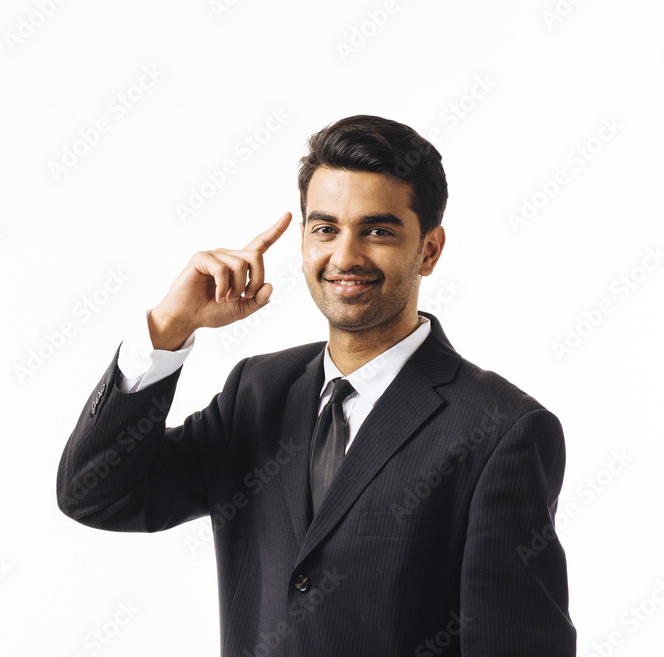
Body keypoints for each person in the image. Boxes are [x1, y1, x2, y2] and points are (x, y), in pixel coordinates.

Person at [56, 115, 575, 656]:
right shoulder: (257, 392)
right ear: (304, 239)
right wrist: (169, 327)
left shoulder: (501, 430)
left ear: (429, 249)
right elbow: (96, 495)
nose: (345, 257)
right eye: (326, 229)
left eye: (378, 231)